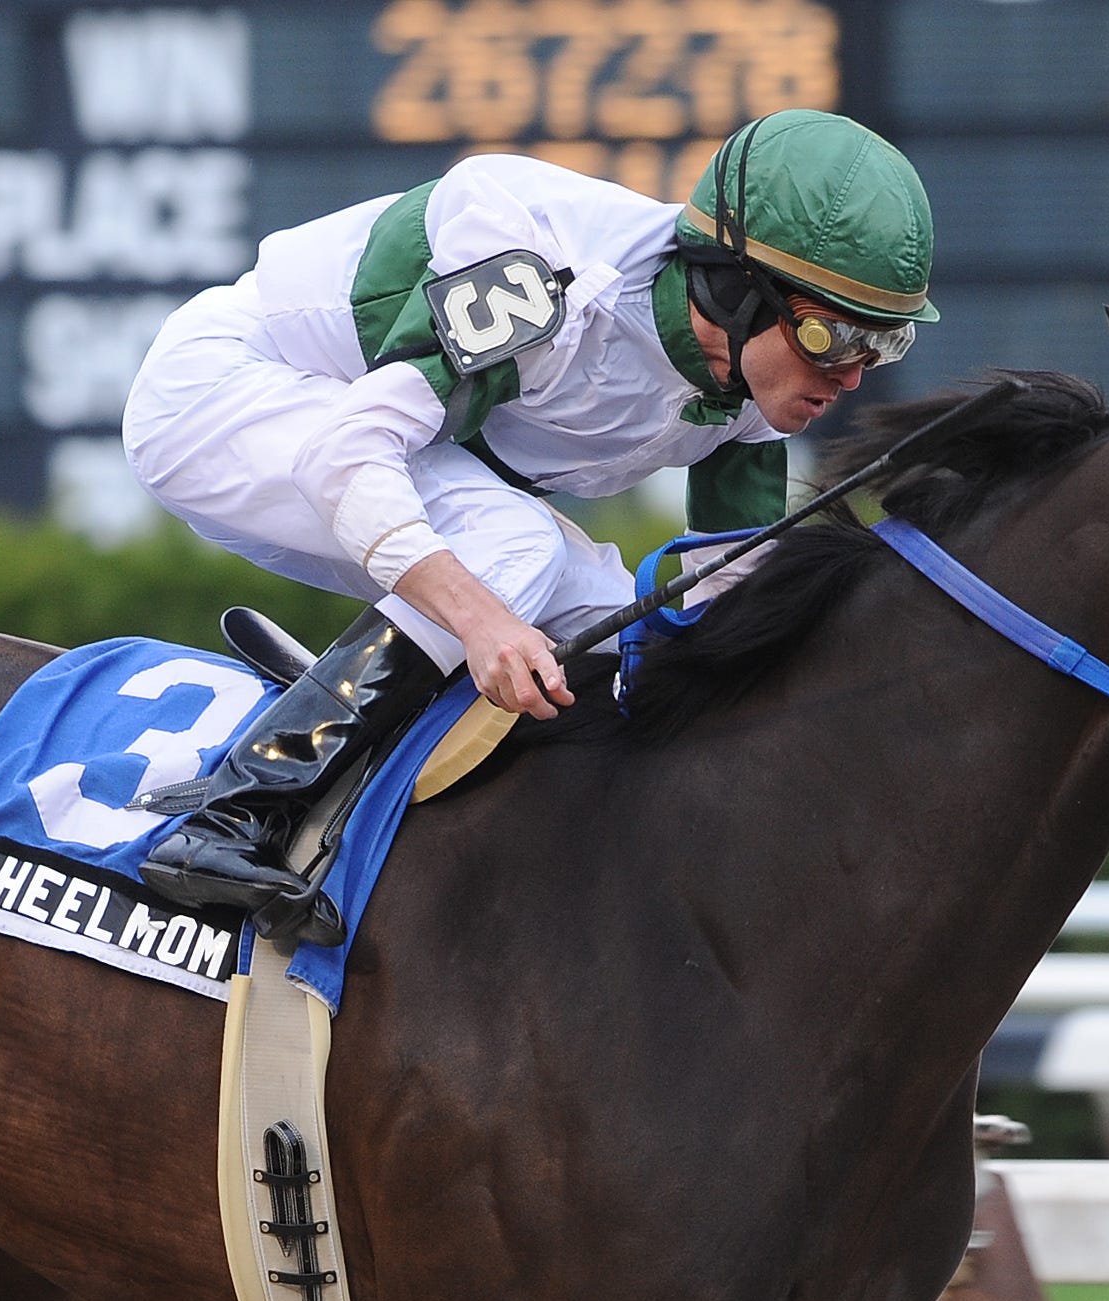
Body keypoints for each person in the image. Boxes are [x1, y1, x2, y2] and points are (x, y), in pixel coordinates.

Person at [120, 108, 937, 920]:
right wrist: (480, 627)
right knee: (514, 548)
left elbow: (729, 605)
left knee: (630, 620)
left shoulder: (753, 389)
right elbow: (347, 458)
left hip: (379, 453)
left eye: (885, 345)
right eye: (833, 338)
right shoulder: (544, 281)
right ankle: (242, 806)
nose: (855, 376)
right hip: (225, 396)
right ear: (734, 288)